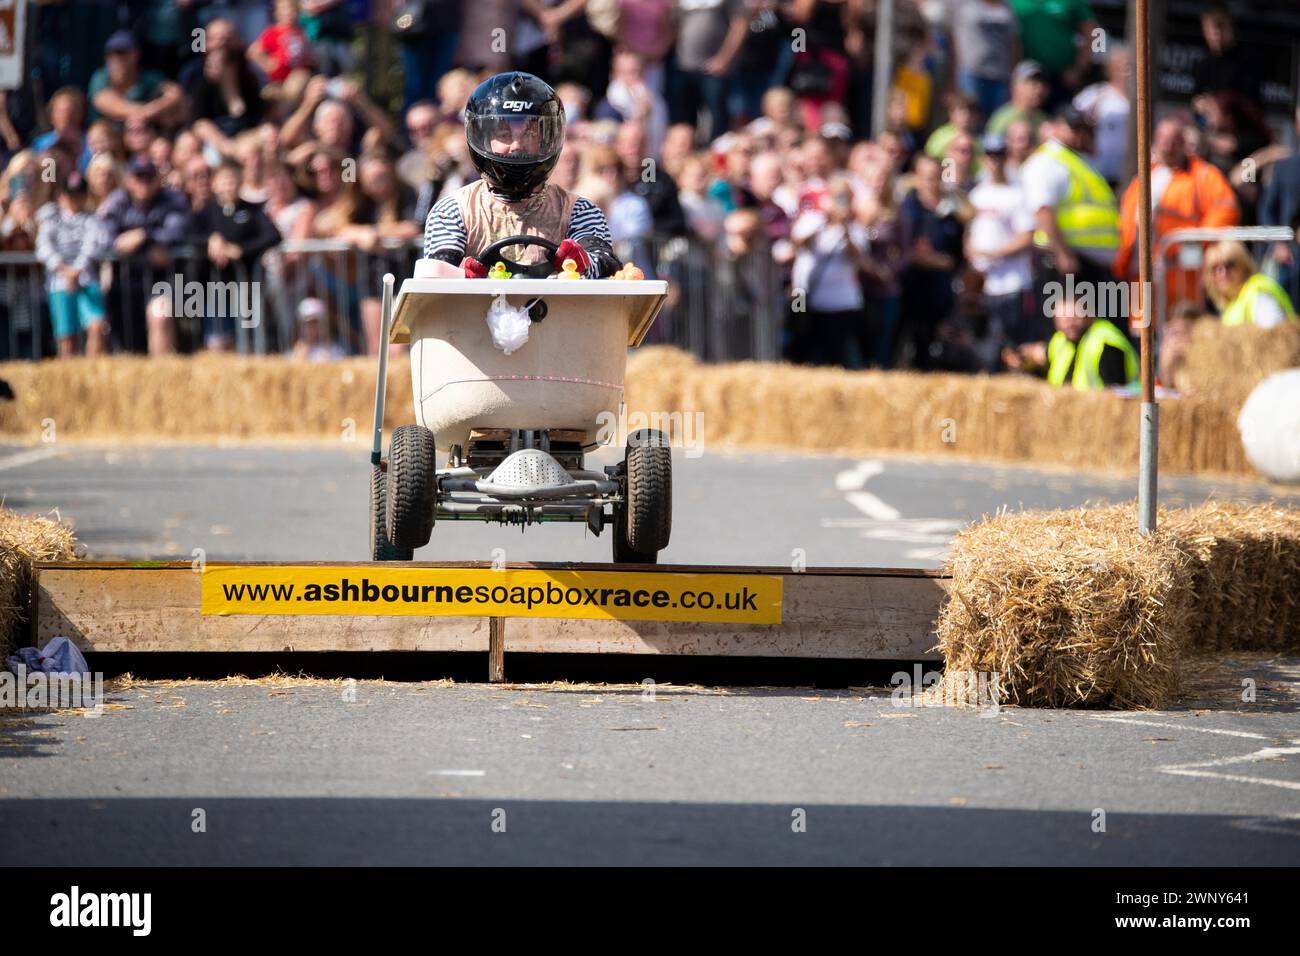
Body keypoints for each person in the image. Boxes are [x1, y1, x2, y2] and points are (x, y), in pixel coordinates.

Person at [422, 72, 622, 281]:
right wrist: (463, 277)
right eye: (503, 134)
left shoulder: (579, 210)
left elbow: (608, 264)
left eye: (529, 133)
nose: (517, 145)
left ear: (547, 139)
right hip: (476, 312)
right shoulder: (452, 211)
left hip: (561, 312)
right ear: (483, 138)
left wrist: (583, 263)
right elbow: (435, 280)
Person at [1113, 115, 1239, 318]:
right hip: (1141, 273)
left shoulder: (1203, 175)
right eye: (1163, 141)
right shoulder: (1144, 177)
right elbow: (1127, 219)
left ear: (1183, 143)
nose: (1167, 147)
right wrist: (1123, 259)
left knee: (1181, 328)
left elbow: (1226, 210)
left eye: (1173, 141)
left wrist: (1192, 244)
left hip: (1182, 274)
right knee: (1142, 332)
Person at [1020, 107, 1117, 286]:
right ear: (1055, 128)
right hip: (1067, 262)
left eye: (1086, 129)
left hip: (1090, 264)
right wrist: (1061, 254)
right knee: (1069, 314)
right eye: (1074, 128)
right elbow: (1043, 210)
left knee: (1098, 314)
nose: (1082, 134)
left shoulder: (1076, 161)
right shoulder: (1047, 161)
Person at [967, 132, 1038, 349]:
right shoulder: (976, 194)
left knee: (1013, 346)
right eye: (990, 155)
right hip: (983, 285)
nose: (994, 161)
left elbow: (1026, 237)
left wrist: (993, 253)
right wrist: (970, 252)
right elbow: (970, 232)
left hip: (1012, 283)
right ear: (982, 159)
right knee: (985, 346)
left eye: (999, 155)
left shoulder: (1016, 194)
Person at [1005, 283, 1137, 390]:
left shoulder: (1105, 343)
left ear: (1089, 314)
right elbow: (1037, 353)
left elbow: (1115, 394)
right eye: (1062, 320)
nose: (1068, 326)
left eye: (1073, 319)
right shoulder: (1061, 339)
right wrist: (1019, 356)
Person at [36, 171, 109, 358]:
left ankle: (94, 374)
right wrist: (64, 270)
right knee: (66, 336)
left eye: (80, 194)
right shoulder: (50, 218)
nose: (75, 199)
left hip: (87, 280)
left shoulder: (93, 220)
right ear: (62, 195)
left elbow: (93, 246)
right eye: (71, 194)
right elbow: (43, 247)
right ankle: (69, 379)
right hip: (59, 283)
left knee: (97, 327)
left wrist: (76, 271)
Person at [1203, 240, 1297, 329]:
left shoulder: (1259, 293)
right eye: (1215, 268)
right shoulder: (1232, 304)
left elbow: (1275, 336)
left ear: (1244, 266)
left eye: (1229, 265)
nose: (1222, 273)